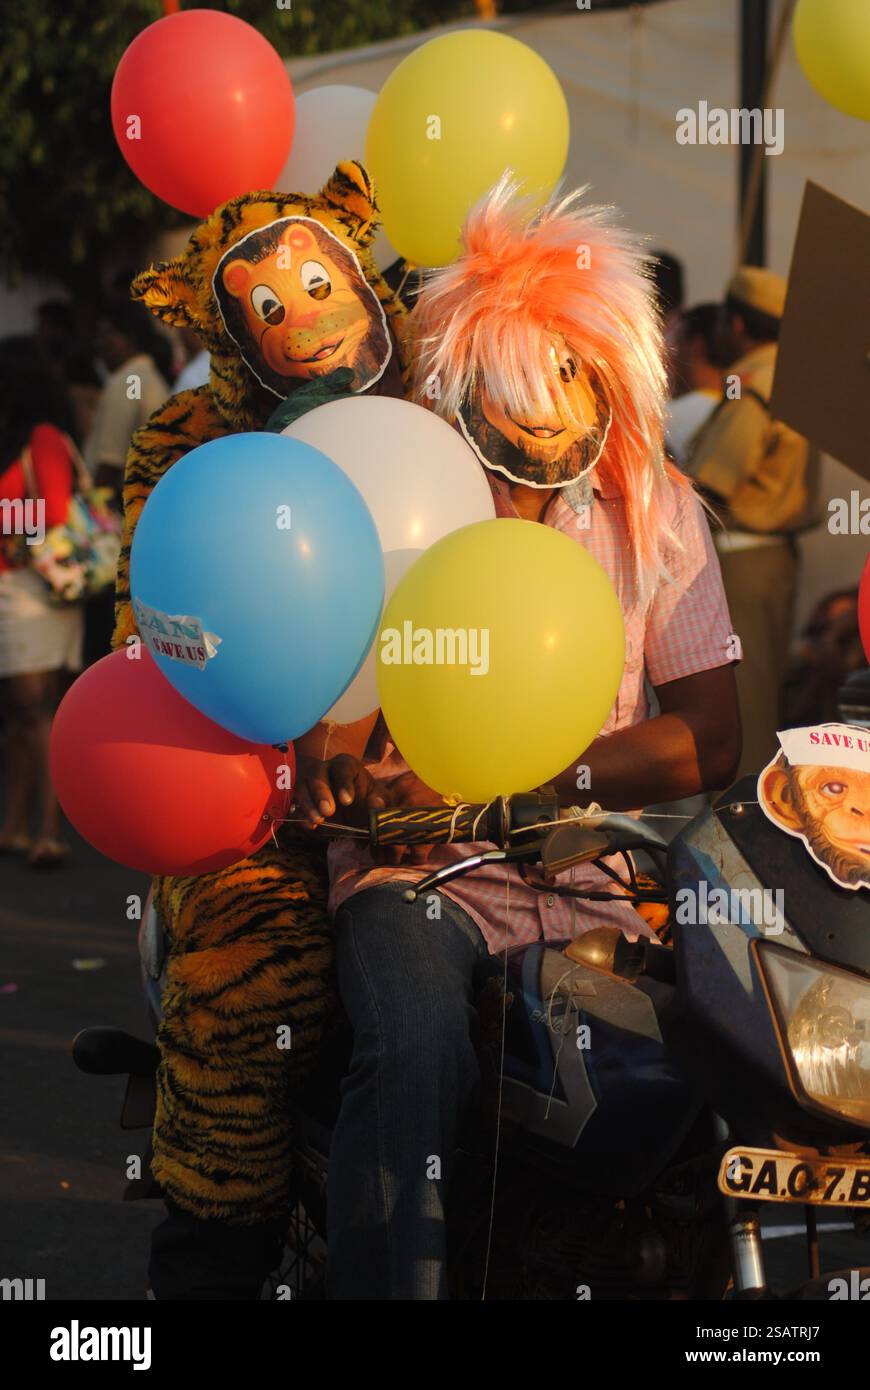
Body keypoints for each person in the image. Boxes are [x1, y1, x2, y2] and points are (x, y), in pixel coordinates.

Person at [294, 181, 741, 1300]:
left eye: (567, 382)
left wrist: (551, 775)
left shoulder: (658, 509)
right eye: (508, 402)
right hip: (418, 872)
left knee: (733, 1051)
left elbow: (712, 738)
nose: (535, 434)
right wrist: (340, 770)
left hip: (598, 868)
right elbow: (333, 717)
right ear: (463, 388)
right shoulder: (400, 492)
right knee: (417, 1049)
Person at [110, 164, 410, 1300]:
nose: (312, 314)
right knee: (251, 989)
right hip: (259, 789)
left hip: (445, 787)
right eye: (270, 304)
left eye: (325, 280)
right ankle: (209, 1257)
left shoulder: (433, 397)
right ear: (227, 331)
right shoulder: (187, 442)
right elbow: (177, 626)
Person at [684, 267, 820, 779]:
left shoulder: (755, 385)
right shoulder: (790, 377)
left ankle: (743, 838)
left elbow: (710, 483)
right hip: (771, 557)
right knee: (759, 700)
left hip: (743, 559)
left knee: (744, 710)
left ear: (736, 324)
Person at [0, 337, 83, 866]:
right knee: (18, 716)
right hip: (19, 591)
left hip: (34, 592)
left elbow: (51, 510)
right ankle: (15, 825)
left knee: (35, 712)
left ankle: (49, 831)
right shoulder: (21, 438)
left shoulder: (44, 437)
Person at [665, 302, 729, 466]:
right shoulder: (732, 412)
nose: (672, 355)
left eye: (678, 342)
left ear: (696, 345)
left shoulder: (667, 418)